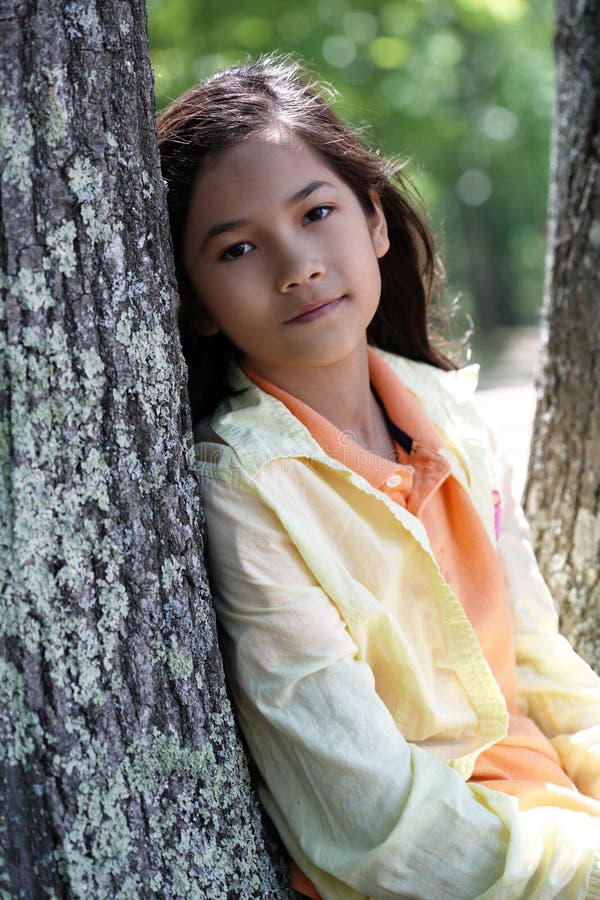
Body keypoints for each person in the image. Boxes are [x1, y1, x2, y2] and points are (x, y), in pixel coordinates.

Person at [157, 55, 600, 899]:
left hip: (558, 829)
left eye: (317, 213)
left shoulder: (447, 410)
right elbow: (369, 821)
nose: (297, 265)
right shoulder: (248, 488)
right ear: (200, 304)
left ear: (375, 221)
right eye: (238, 248)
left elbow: (540, 665)